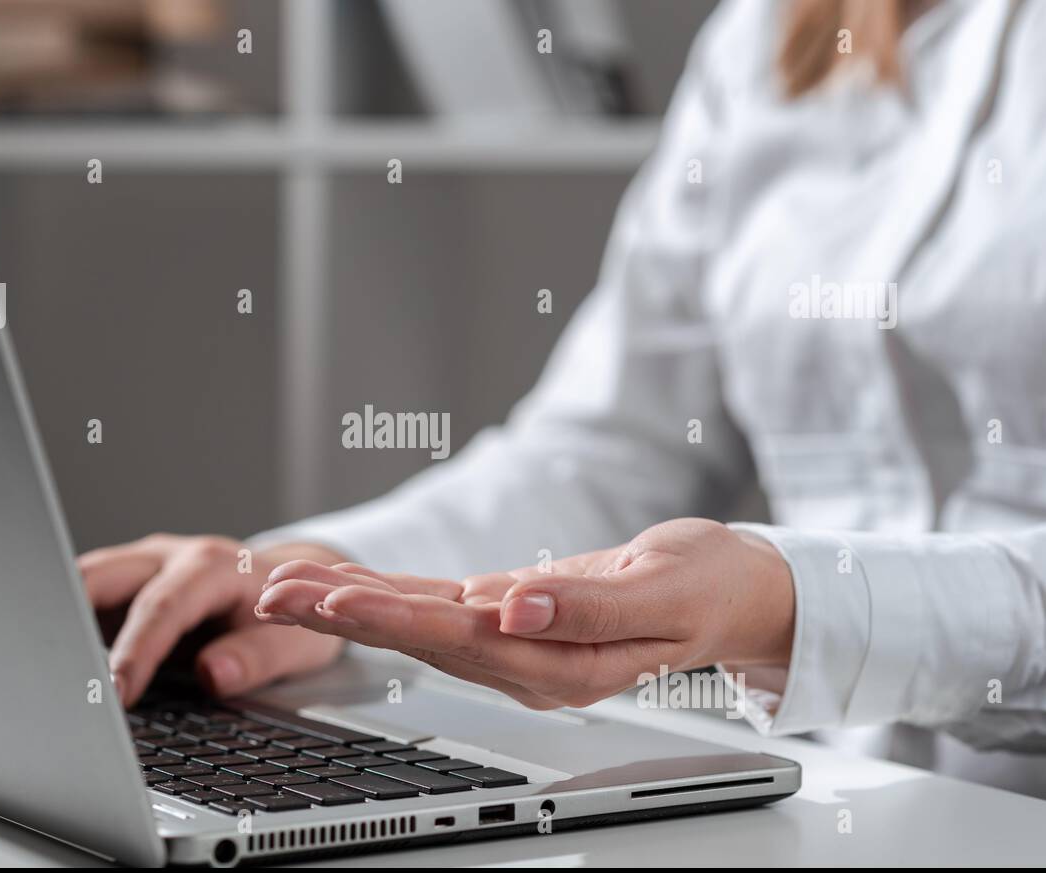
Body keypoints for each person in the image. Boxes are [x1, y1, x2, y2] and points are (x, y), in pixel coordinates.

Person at [78, 0, 1046, 795]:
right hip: (852, 809)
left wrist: (789, 604)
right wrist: (324, 577)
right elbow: (602, 451)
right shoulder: (764, 41)